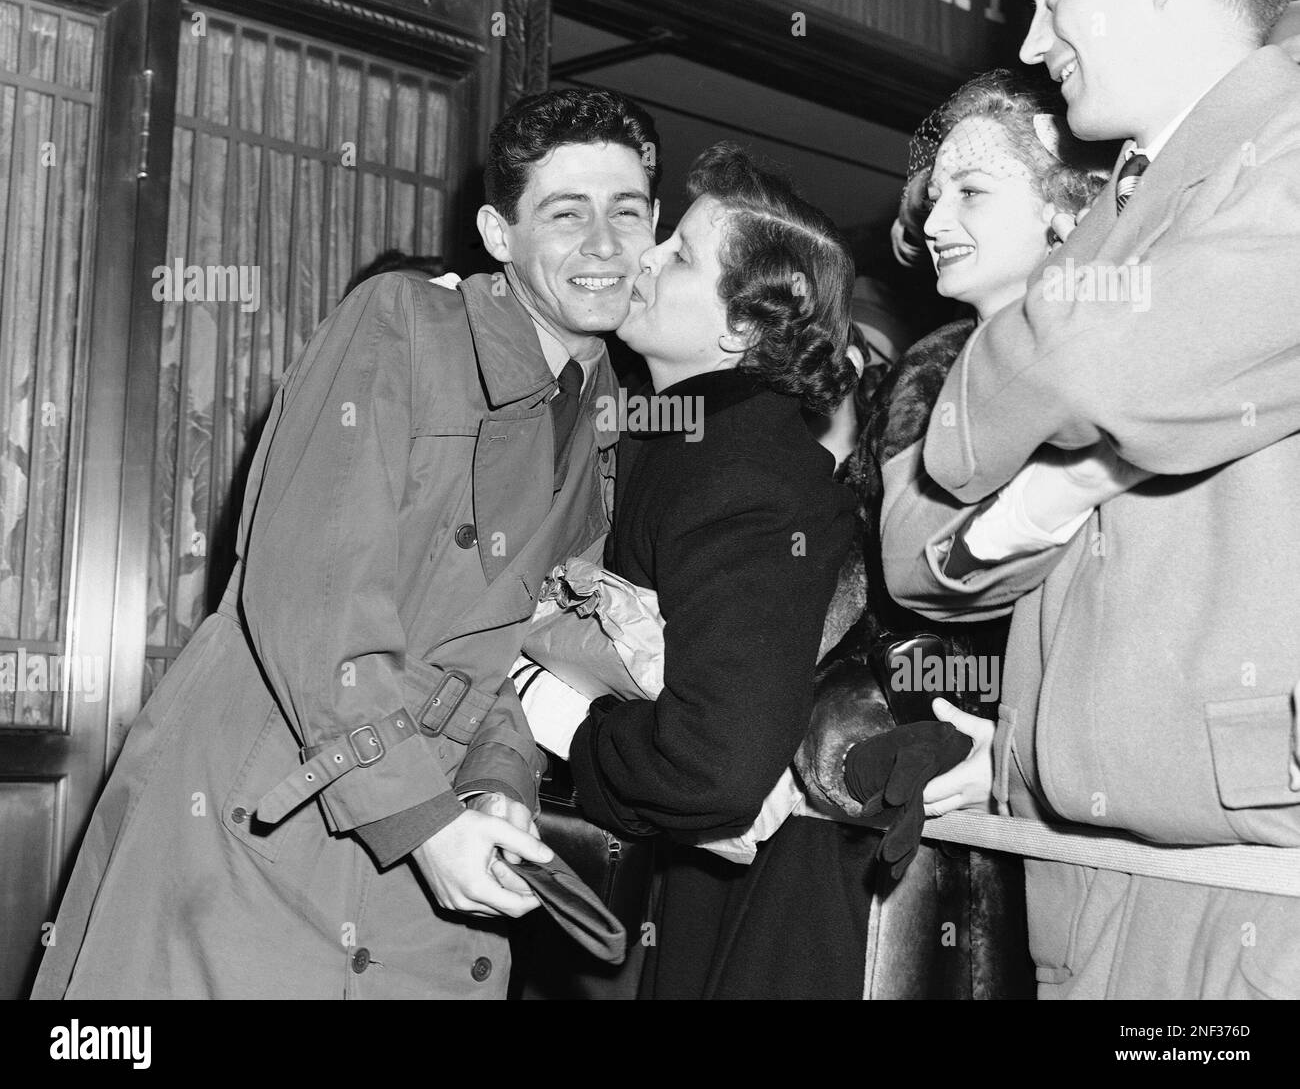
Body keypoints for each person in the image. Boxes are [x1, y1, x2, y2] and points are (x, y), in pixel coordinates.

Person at [33, 86, 661, 999]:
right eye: (567, 215)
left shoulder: (596, 419)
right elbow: (313, 598)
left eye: (628, 213)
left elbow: (484, 663)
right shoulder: (405, 321)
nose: (604, 245)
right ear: (496, 233)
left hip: (418, 820)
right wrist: (421, 816)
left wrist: (496, 788)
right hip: (273, 809)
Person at [892, 0, 1300, 999]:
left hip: (1249, 884)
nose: (1026, 43)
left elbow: (1107, 361)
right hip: (1089, 867)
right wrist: (1030, 503)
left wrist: (1019, 380)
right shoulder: (1128, 195)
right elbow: (913, 554)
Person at [794, 69, 1109, 999]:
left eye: (971, 192)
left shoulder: (1122, 348)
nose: (934, 221)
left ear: (1066, 206)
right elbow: (906, 574)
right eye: (933, 198)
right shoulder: (939, 366)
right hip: (952, 771)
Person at [547, 143, 860, 999]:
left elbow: (711, 762)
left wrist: (571, 730)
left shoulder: (747, 469)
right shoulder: (679, 435)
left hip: (764, 928)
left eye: (679, 253)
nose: (642, 258)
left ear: (745, 327)